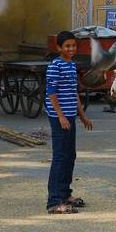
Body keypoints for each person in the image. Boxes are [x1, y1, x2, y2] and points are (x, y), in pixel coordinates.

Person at [45, 30, 93, 214]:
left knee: (70, 155)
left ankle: (65, 194)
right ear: (59, 48)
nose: (71, 48)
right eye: (67, 46)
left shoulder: (72, 65)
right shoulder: (55, 66)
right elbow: (51, 93)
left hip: (70, 116)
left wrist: (82, 116)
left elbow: (74, 93)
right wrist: (61, 116)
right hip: (59, 118)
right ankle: (53, 202)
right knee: (60, 157)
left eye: (73, 45)